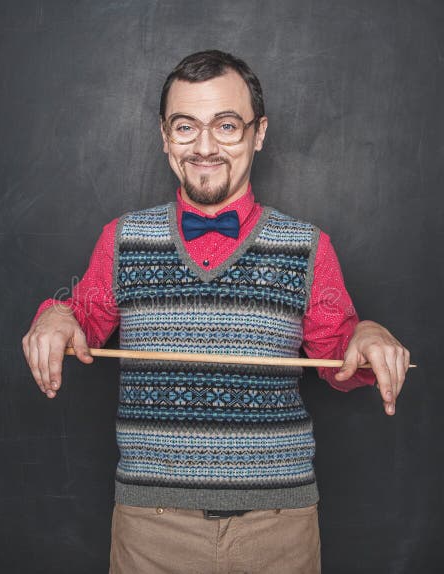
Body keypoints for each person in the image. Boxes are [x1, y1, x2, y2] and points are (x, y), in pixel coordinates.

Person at [22, 50, 410, 574]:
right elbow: (81, 320)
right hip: (150, 525)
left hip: (279, 525)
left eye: (226, 125)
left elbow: (338, 355)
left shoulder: (309, 247)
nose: (205, 147)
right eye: (186, 127)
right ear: (164, 136)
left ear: (259, 132)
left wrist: (368, 334)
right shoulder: (122, 239)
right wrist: (55, 316)